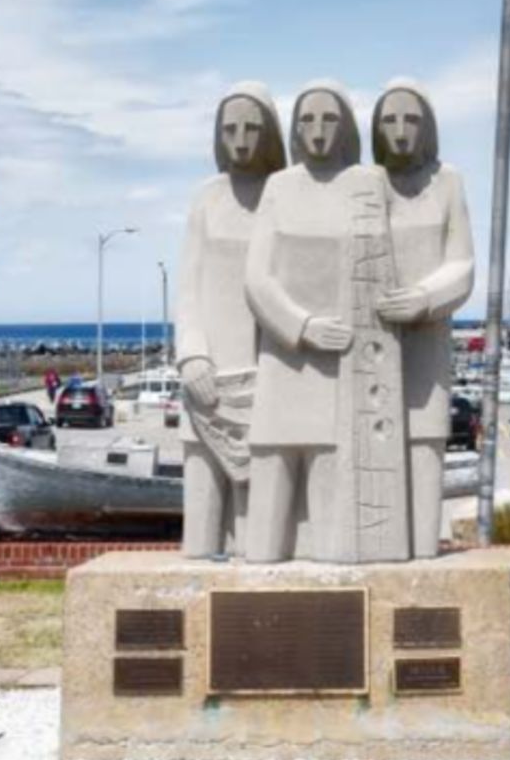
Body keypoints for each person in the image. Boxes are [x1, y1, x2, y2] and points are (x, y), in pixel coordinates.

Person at [244, 79, 407, 563]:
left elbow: (385, 268)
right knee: (265, 538)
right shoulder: (279, 187)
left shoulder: (366, 186)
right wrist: (302, 326)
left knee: (334, 542)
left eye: (328, 119)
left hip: (345, 376)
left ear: (346, 127)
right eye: (307, 120)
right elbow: (257, 278)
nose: (317, 131)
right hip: (286, 361)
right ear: (294, 130)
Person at [174, 82, 287, 560]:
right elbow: (188, 288)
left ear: (270, 135)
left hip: (269, 377)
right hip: (207, 379)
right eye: (231, 129)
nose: (241, 140)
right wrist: (192, 355)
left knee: (256, 527)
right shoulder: (207, 198)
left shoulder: (284, 195)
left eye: (252, 129)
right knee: (201, 514)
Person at [371, 79, 475, 560]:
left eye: (410, 119)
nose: (399, 130)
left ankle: (422, 558)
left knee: (424, 443)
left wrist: (424, 298)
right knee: (374, 453)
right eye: (389, 119)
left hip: (426, 340)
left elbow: (464, 266)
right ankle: (380, 551)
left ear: (427, 126)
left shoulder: (447, 182)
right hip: (372, 346)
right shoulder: (365, 186)